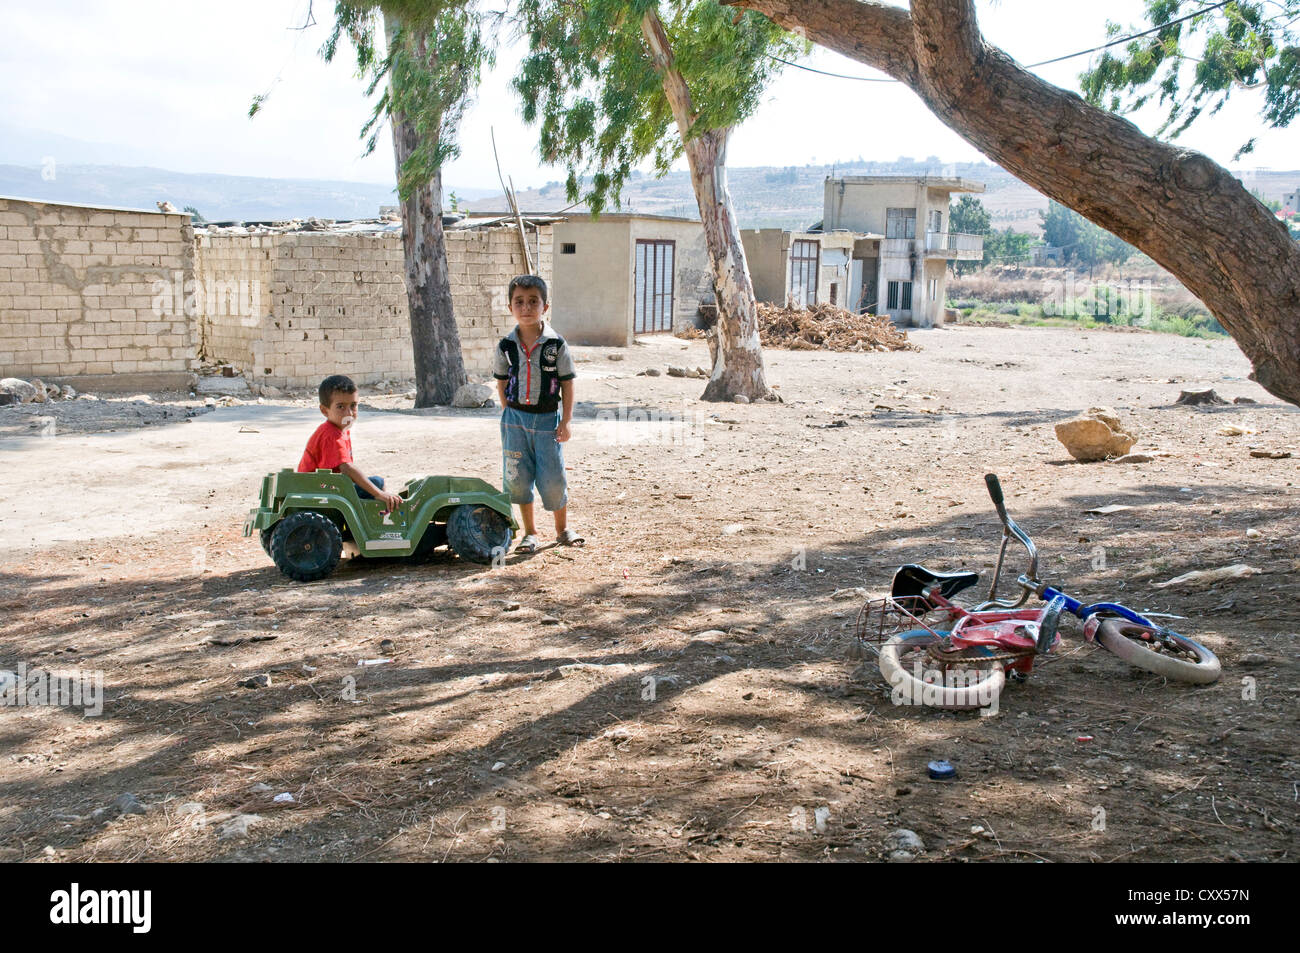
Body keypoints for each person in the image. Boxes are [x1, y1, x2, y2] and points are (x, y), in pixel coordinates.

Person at [493, 275, 584, 553]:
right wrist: (510, 415)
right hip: (515, 423)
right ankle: (530, 533)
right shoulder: (506, 347)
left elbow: (567, 383)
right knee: (518, 477)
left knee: (553, 477)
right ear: (510, 307)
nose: (526, 307)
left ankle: (562, 529)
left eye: (534, 301)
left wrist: (566, 421)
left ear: (545, 306)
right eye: (519, 302)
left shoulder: (556, 345)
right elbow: (502, 382)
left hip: (547, 421)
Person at [298, 374, 403, 513]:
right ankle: (379, 519)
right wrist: (379, 493)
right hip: (320, 491)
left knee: (374, 483)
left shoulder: (341, 430)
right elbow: (346, 467)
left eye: (353, 406)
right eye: (341, 406)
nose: (349, 413)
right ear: (324, 410)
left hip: (329, 486)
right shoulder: (330, 434)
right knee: (377, 483)